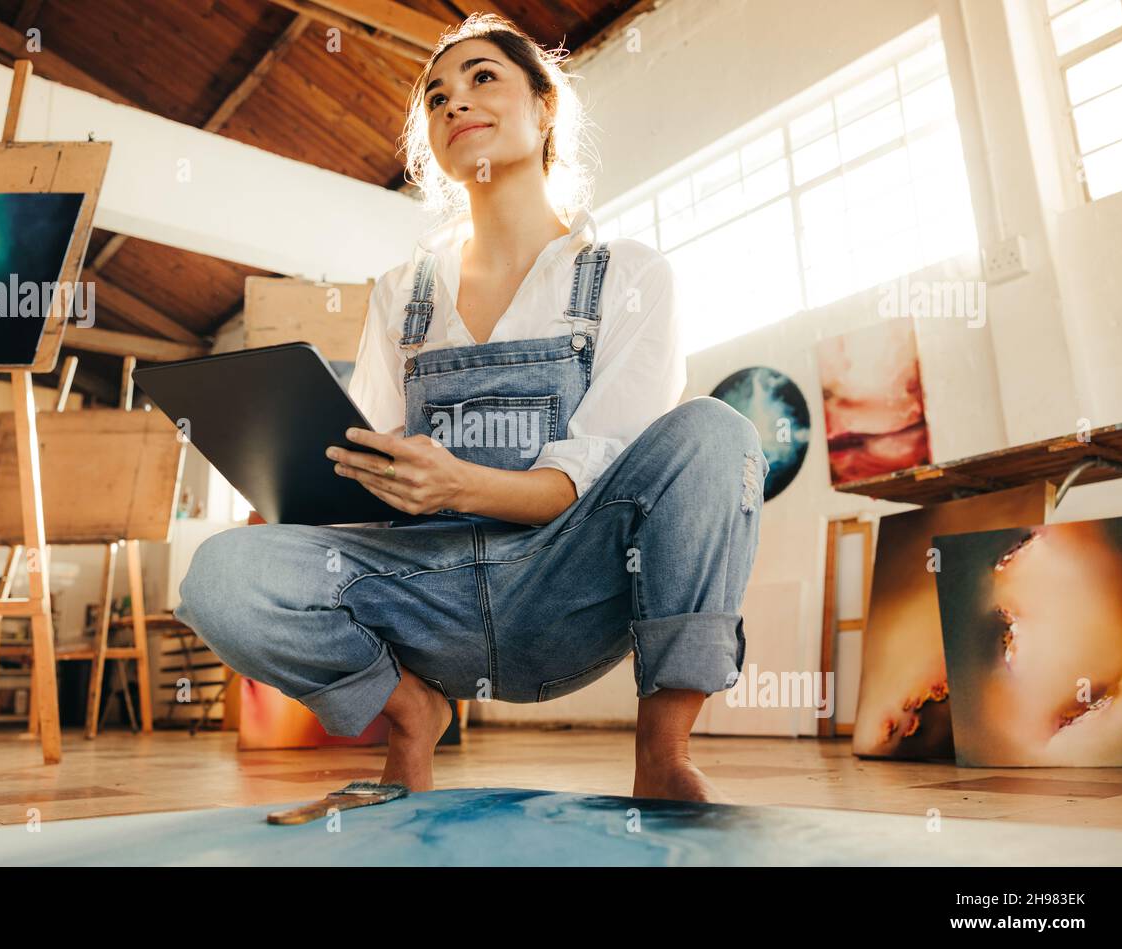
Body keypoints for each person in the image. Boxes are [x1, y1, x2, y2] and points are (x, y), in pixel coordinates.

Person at [176, 14, 768, 802]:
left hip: (567, 587)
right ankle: (412, 712)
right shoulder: (401, 294)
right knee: (219, 573)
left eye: (482, 78)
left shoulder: (627, 275)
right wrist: (300, 497)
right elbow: (373, 469)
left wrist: (458, 484)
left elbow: (590, 479)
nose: (455, 101)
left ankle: (663, 751)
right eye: (435, 96)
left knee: (716, 434)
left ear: (545, 106)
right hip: (428, 596)